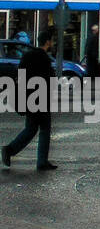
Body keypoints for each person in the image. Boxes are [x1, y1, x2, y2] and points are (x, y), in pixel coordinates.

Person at [2, 26, 58, 171]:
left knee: (31, 128)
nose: (52, 43)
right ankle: (41, 161)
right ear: (47, 42)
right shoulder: (44, 58)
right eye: (51, 41)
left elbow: (20, 75)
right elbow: (49, 79)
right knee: (45, 129)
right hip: (40, 99)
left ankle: (10, 150)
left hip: (28, 98)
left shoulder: (28, 55)